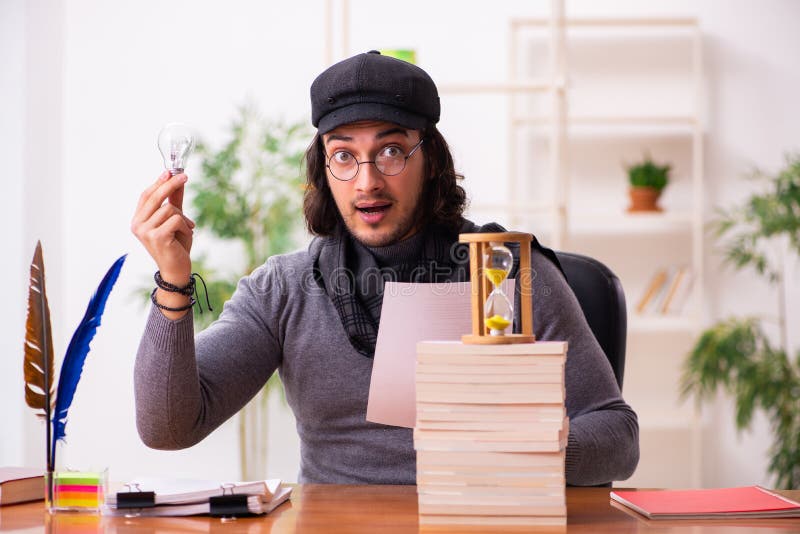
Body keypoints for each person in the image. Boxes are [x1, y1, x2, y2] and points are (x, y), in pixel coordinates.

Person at [131, 50, 639, 486]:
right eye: (344, 156)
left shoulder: (504, 273)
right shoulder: (283, 289)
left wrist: (520, 446)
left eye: (391, 151)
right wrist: (173, 282)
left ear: (431, 161)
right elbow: (168, 429)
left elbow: (618, 436)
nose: (367, 181)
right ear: (323, 171)